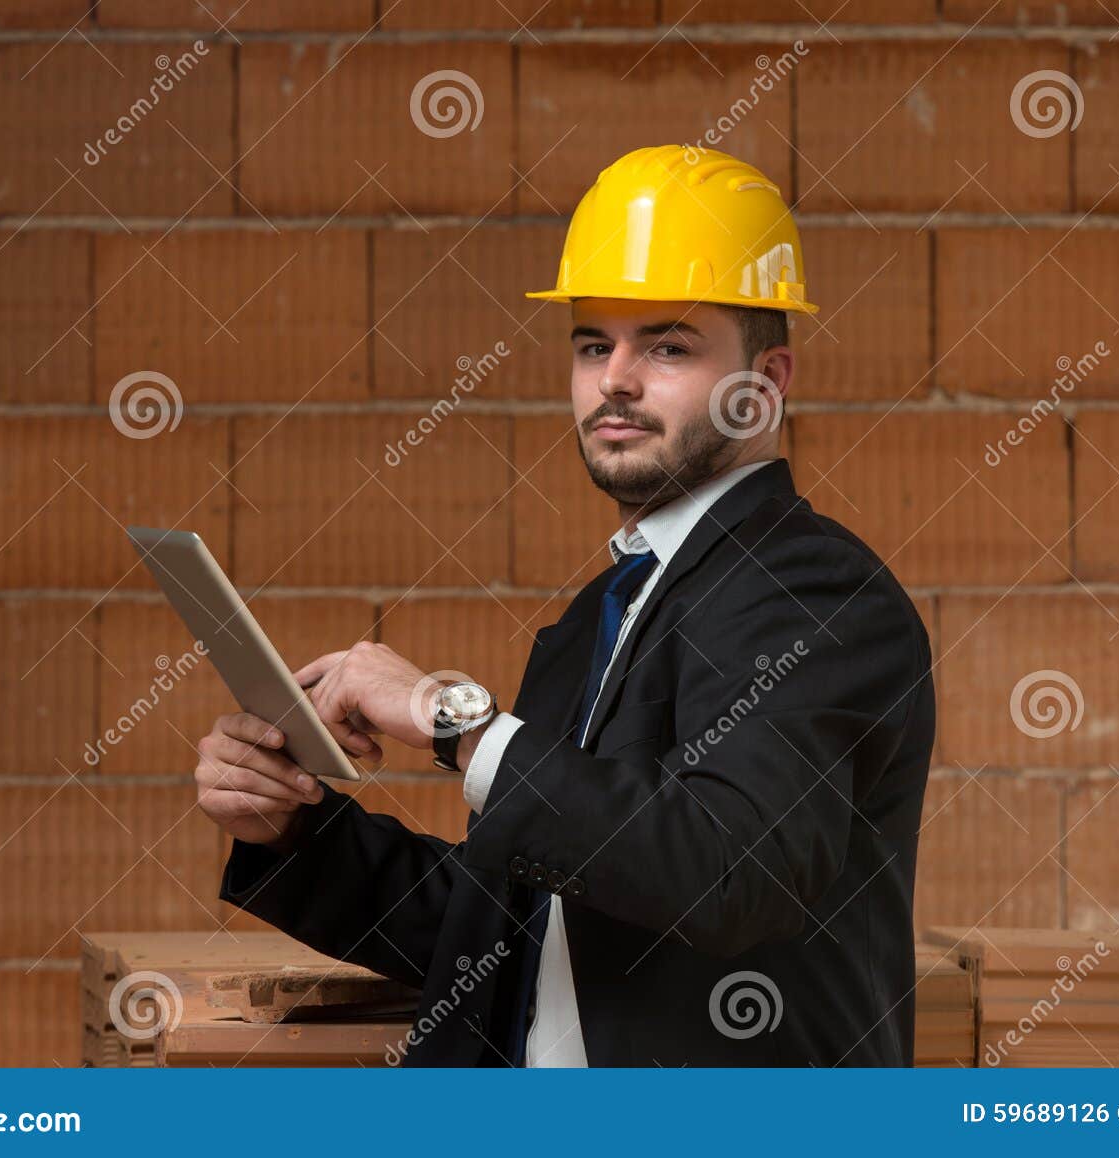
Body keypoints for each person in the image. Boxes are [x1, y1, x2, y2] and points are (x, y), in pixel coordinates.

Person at [192, 144, 935, 1066]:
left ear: (766, 384)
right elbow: (509, 932)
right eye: (593, 344)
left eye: (667, 345)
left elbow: (727, 872)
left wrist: (451, 718)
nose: (615, 378)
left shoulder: (813, 593)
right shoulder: (602, 616)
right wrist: (295, 829)